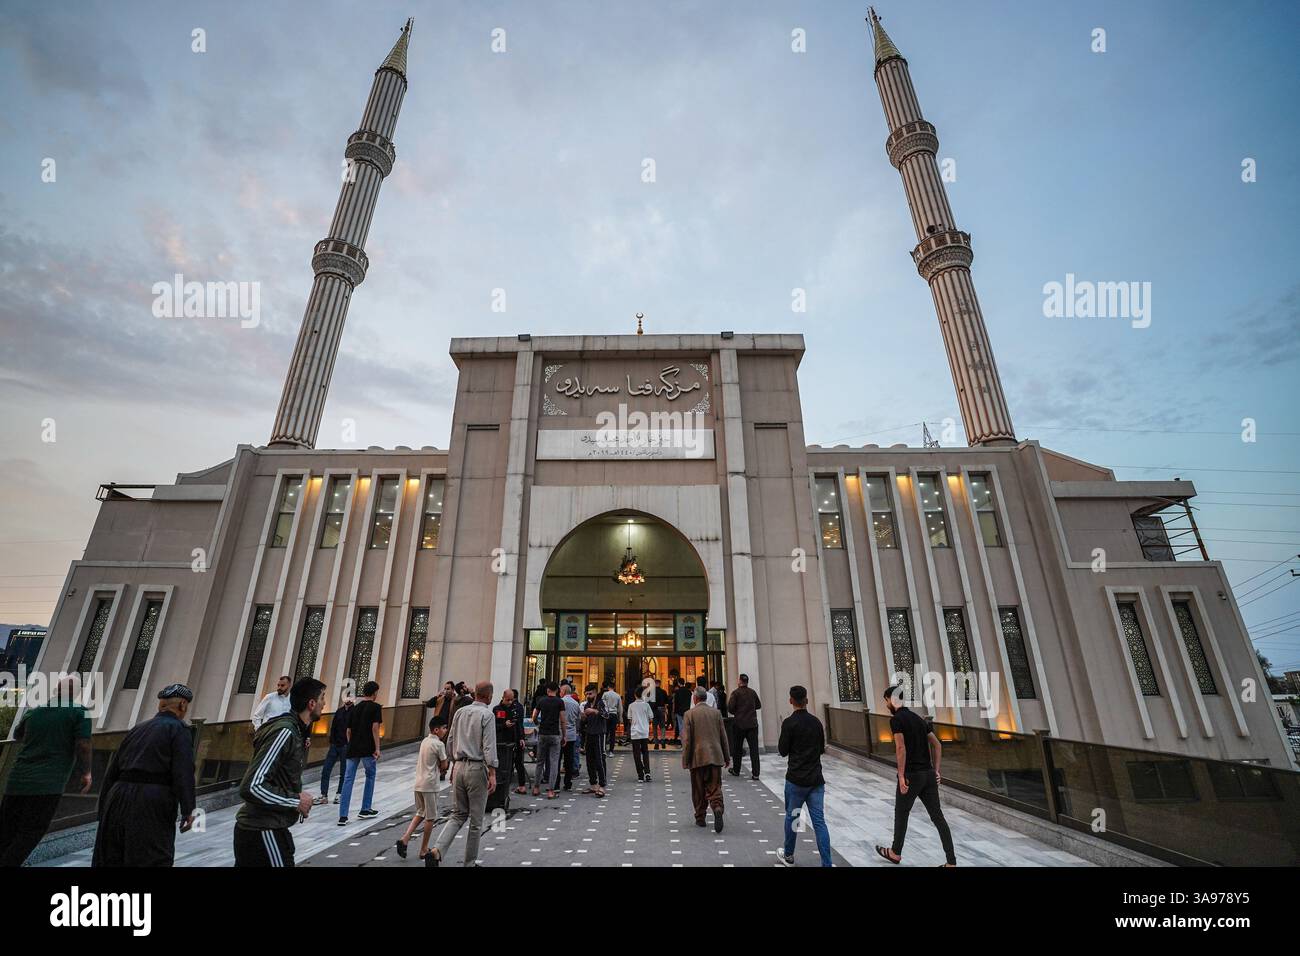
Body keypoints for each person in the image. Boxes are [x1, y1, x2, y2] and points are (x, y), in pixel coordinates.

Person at [93, 683, 198, 867]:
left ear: (161, 705)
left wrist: (104, 807)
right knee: (151, 855)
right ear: (183, 705)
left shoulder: (137, 728)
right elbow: (183, 772)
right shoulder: (179, 730)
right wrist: (188, 810)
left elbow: (113, 770)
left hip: (116, 797)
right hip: (152, 801)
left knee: (112, 856)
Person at [232, 677, 324, 867]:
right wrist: (295, 800)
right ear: (312, 703)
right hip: (262, 830)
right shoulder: (285, 732)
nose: (324, 704)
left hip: (267, 828)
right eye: (323, 698)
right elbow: (252, 786)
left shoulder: (295, 731)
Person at [0, 677, 92, 866]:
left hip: (17, 779)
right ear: (74, 692)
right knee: (32, 830)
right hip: (47, 783)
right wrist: (86, 772)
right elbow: (83, 744)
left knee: (7, 829)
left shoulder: (34, 712)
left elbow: (18, 735)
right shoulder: (79, 712)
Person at [875, 684, 956, 867]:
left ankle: (895, 853)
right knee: (938, 817)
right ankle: (951, 862)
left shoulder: (897, 720)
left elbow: (900, 748)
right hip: (928, 775)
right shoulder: (919, 719)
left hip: (912, 775)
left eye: (886, 701)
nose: (886, 704)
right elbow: (937, 745)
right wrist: (936, 770)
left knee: (902, 813)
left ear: (891, 700)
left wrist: (901, 776)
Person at [427, 680, 497, 867]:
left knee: (457, 814)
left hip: (458, 765)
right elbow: (489, 747)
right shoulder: (487, 715)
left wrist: (451, 765)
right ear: (489, 696)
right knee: (475, 821)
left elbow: (450, 739)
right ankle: (469, 862)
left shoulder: (460, 712)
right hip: (476, 767)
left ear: (476, 694)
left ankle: (437, 850)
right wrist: (492, 772)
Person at [775, 685, 832, 867]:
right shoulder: (816, 722)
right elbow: (821, 749)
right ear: (806, 700)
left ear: (791, 700)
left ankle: (789, 854)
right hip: (816, 779)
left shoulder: (789, 723)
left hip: (796, 780)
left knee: (792, 818)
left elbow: (782, 751)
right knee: (819, 823)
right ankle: (827, 863)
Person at [395, 717, 448, 861]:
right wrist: (442, 765)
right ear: (436, 730)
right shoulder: (439, 744)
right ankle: (424, 849)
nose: (445, 730)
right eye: (444, 727)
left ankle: (405, 839)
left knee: (420, 813)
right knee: (430, 817)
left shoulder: (424, 741)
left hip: (418, 783)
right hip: (430, 785)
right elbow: (444, 765)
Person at [680, 686, 729, 832]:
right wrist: (726, 756)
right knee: (715, 786)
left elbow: (687, 740)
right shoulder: (716, 713)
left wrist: (685, 759)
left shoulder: (689, 714)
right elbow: (723, 736)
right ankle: (717, 806)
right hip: (715, 755)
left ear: (694, 699)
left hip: (697, 757)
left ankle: (700, 817)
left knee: (698, 789)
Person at [338, 680, 383, 825]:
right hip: (367, 747)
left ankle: (343, 816)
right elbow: (375, 728)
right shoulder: (375, 708)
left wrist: (351, 743)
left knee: (348, 779)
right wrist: (377, 748)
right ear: (375, 693)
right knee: (370, 775)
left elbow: (348, 730)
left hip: (353, 748)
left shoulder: (354, 708)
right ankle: (365, 808)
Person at [315, 695, 353, 805]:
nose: (348, 700)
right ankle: (324, 795)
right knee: (326, 770)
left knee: (343, 772)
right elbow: (334, 726)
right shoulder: (339, 711)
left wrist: (349, 743)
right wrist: (332, 741)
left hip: (345, 745)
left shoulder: (354, 712)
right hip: (335, 745)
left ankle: (339, 794)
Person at [531, 682, 563, 799]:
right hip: (554, 733)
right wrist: (564, 735)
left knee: (540, 761)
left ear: (548, 690)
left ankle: (536, 787)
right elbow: (563, 720)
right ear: (557, 690)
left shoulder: (541, 701)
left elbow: (534, 715)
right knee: (554, 762)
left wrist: (536, 723)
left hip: (543, 733)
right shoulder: (560, 702)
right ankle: (551, 790)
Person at [727, 674, 762, 779]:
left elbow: (730, 708)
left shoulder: (736, 693)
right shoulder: (752, 692)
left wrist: (738, 710)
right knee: (754, 750)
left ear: (739, 681)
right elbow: (759, 705)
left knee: (737, 748)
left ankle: (736, 770)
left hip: (739, 724)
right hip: (752, 724)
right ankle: (756, 773)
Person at [580, 683, 608, 797]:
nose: (588, 696)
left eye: (590, 693)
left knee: (600, 759)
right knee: (589, 759)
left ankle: (602, 785)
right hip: (589, 733)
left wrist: (595, 711)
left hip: (599, 734)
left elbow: (606, 715)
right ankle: (593, 784)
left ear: (595, 692)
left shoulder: (601, 702)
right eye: (586, 694)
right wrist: (584, 717)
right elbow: (584, 721)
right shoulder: (586, 704)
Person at [560, 680, 583, 789]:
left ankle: (555, 783)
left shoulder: (560, 702)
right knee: (569, 759)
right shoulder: (576, 703)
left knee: (557, 758)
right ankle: (568, 783)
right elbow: (579, 719)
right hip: (572, 734)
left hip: (560, 733)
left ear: (563, 691)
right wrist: (577, 731)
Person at [508, 688, 531, 794]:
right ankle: (521, 785)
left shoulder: (510, 707)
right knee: (518, 762)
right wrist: (522, 737)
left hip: (511, 737)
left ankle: (509, 781)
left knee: (509, 761)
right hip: (518, 736)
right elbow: (521, 723)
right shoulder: (520, 707)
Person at [627, 687, 652, 782]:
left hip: (635, 732)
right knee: (645, 752)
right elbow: (651, 718)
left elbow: (629, 719)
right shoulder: (646, 705)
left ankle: (640, 774)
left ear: (635, 695)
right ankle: (647, 772)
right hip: (644, 732)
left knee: (636, 754)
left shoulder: (631, 706)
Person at [601, 683, 622, 754]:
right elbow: (620, 708)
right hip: (614, 714)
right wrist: (620, 718)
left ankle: (603, 749)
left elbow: (602, 705)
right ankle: (611, 751)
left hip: (606, 714)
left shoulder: (605, 694)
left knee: (605, 732)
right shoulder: (618, 695)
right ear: (614, 687)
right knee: (613, 734)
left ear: (608, 687)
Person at [671, 679, 692, 747]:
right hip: (687, 711)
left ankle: (683, 743)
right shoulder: (689, 692)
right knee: (687, 727)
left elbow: (676, 703)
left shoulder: (677, 692)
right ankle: (688, 743)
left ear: (679, 683)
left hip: (679, 711)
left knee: (681, 727)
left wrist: (675, 711)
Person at [651, 679, 669, 750]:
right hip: (661, 709)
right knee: (662, 726)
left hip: (654, 710)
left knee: (654, 726)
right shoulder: (663, 691)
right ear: (660, 684)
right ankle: (663, 740)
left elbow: (650, 702)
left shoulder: (651, 692)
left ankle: (656, 743)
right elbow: (666, 702)